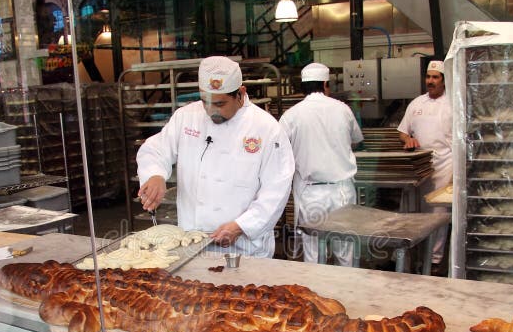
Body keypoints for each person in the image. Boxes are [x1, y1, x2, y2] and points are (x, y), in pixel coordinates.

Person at [137, 56, 295, 258]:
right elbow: (154, 149)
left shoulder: (266, 128)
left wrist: (242, 226)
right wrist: (155, 175)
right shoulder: (186, 117)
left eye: (220, 104)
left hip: (245, 248)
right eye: (205, 102)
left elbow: (277, 189)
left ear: (241, 93)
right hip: (192, 243)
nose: (211, 111)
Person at [279, 62, 363, 266]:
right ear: (326, 84)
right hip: (342, 191)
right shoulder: (342, 110)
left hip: (311, 193)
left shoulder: (291, 116)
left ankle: (314, 295)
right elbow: (356, 139)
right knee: (345, 251)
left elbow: (279, 152)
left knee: (313, 253)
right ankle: (348, 294)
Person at [397, 59, 452, 269]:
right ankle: (411, 256)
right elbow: (403, 131)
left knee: (438, 214)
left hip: (445, 164)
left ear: (444, 81)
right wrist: (407, 140)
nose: (430, 81)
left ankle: (435, 260)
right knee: (414, 212)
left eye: (435, 78)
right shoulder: (417, 103)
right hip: (419, 165)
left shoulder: (453, 105)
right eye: (428, 77)